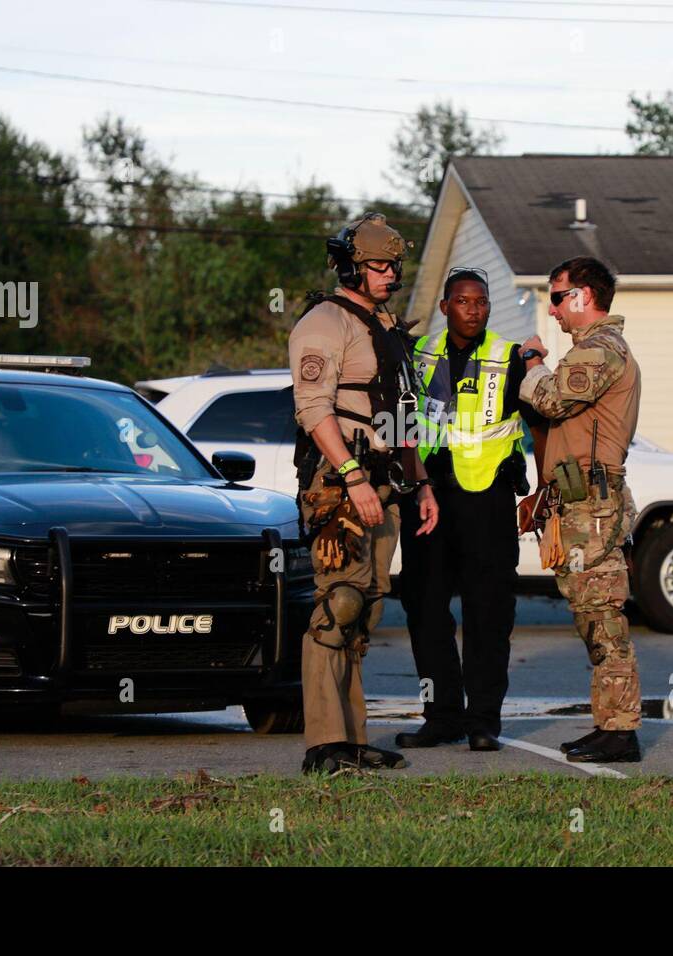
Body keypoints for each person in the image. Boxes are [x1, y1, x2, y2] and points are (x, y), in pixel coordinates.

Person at [289, 212, 440, 775]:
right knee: (338, 605)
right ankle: (324, 745)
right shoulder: (325, 323)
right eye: (379, 265)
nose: (390, 275)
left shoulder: (386, 325)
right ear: (350, 264)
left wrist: (419, 481)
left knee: (366, 611)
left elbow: (404, 416)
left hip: (387, 482)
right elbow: (312, 409)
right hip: (340, 488)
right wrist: (351, 474)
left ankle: (352, 740)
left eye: (395, 266)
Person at [395, 267, 542, 752]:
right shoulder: (417, 355)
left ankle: (483, 722)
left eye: (481, 302)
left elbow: (540, 422)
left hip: (488, 500)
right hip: (428, 498)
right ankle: (440, 717)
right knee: (426, 609)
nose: (474, 309)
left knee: (489, 612)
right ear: (445, 308)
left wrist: (541, 489)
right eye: (463, 301)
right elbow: (402, 425)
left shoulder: (509, 357)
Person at [518, 256, 643, 763]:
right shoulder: (589, 351)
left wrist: (531, 361)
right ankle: (610, 724)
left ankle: (620, 730)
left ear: (582, 296)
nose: (552, 310)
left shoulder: (600, 350)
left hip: (592, 505)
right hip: (578, 501)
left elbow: (550, 399)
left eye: (556, 296)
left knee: (602, 615)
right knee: (592, 614)